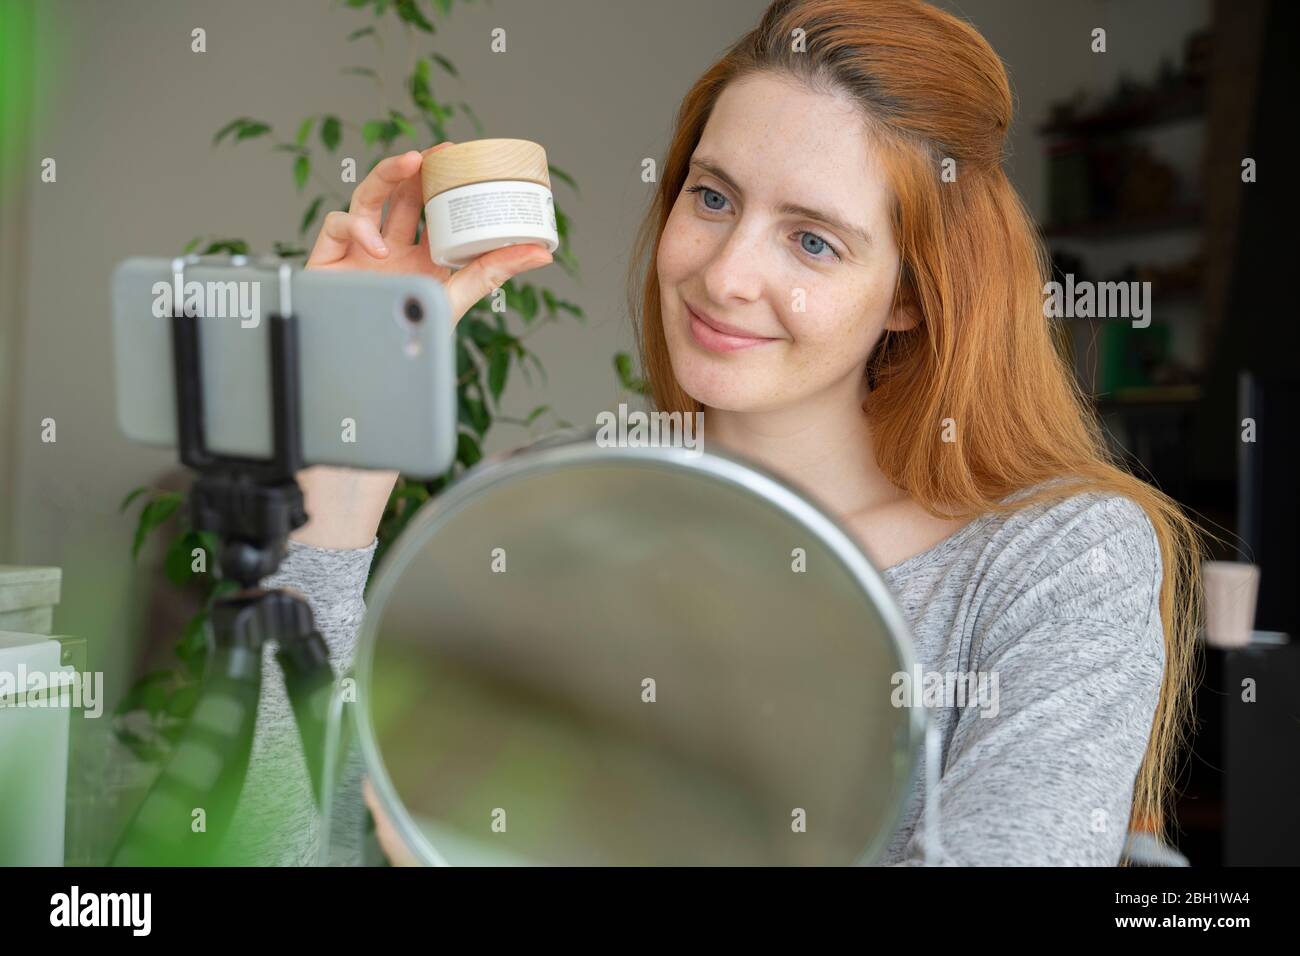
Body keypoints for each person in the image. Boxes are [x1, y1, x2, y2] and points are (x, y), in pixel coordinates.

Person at [232, 0, 1202, 866]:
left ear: (908, 294)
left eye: (812, 238)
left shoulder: (1055, 558)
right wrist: (338, 459)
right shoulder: (546, 512)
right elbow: (284, 848)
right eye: (712, 196)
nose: (724, 272)